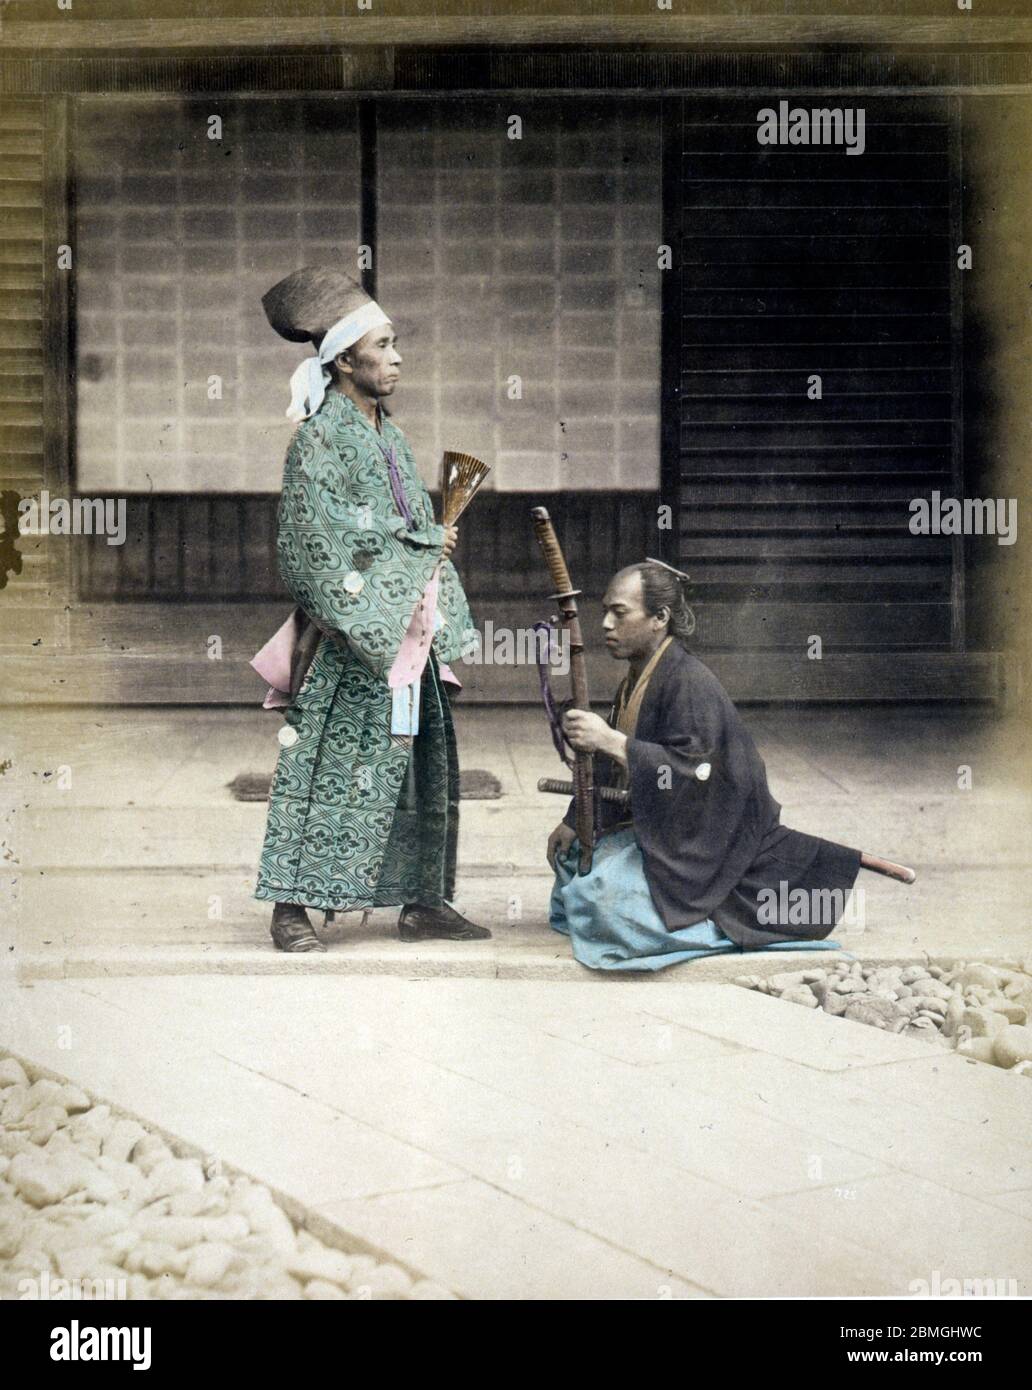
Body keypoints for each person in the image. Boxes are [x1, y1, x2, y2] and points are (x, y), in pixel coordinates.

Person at [253, 266, 490, 952]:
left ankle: (423, 902)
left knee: (418, 761)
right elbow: (313, 536)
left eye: (394, 344)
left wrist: (431, 541)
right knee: (326, 765)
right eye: (383, 346)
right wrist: (419, 540)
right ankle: (290, 908)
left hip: (407, 636)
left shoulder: (390, 433)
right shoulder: (320, 437)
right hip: (356, 639)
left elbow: (402, 519)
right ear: (345, 361)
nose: (396, 357)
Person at [545, 560, 862, 972]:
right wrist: (575, 818)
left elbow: (696, 774)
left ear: (660, 618)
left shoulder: (689, 682)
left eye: (619, 613)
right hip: (671, 829)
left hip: (712, 841)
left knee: (601, 900)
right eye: (605, 610)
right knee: (572, 866)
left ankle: (716, 927)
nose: (605, 623)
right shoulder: (638, 677)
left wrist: (610, 740)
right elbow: (617, 769)